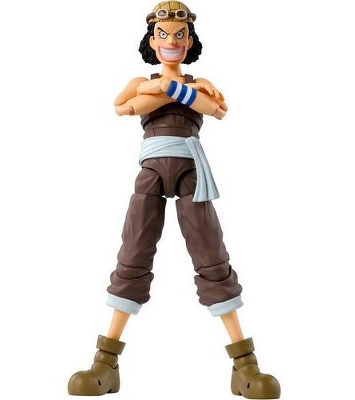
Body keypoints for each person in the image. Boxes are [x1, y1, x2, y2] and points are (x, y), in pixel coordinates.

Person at [68, 2, 280, 398]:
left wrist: (166, 89)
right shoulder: (140, 81)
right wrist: (170, 90)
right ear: (152, 40)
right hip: (151, 171)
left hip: (191, 173)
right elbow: (124, 107)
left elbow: (216, 110)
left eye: (179, 34)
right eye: (163, 34)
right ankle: (105, 362)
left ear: (190, 40)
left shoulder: (200, 83)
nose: (171, 41)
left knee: (210, 253)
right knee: (133, 252)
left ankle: (245, 365)